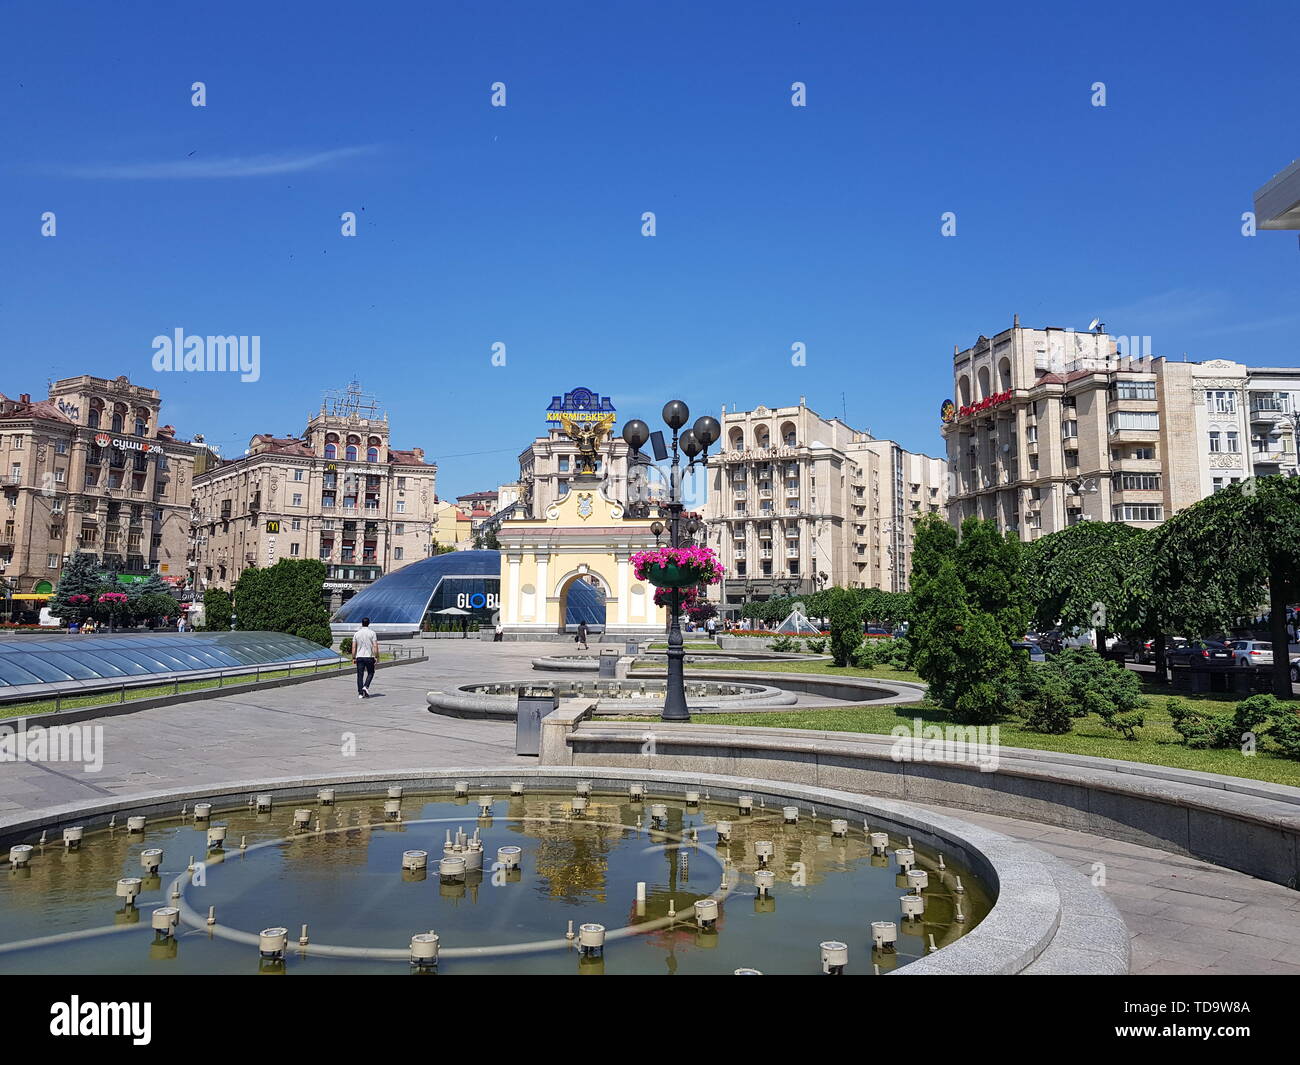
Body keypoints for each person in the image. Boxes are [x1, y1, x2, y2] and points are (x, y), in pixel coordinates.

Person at [352, 618, 380, 699]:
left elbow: (353, 647)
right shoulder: (372, 633)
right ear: (368, 623)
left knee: (360, 675)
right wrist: (376, 656)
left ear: (362, 623)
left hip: (359, 657)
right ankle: (366, 686)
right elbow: (375, 646)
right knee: (371, 673)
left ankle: (360, 693)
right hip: (369, 657)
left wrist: (353, 657)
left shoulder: (356, 634)